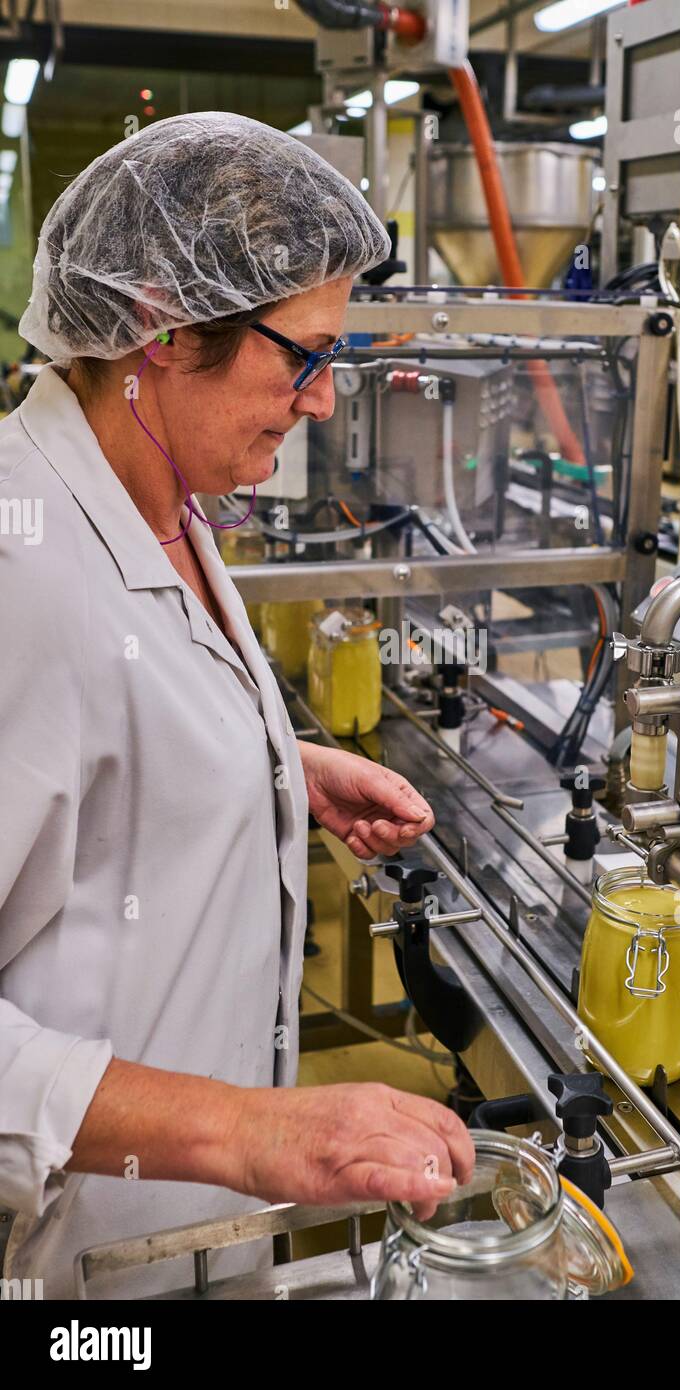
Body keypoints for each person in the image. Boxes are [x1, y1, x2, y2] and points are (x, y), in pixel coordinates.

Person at [0, 112, 473, 1299]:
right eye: (302, 355)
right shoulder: (19, 566)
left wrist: (268, 764)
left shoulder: (159, 493)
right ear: (160, 329)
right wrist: (251, 1134)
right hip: (76, 1275)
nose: (321, 401)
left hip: (188, 1238)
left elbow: (100, 751)